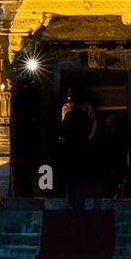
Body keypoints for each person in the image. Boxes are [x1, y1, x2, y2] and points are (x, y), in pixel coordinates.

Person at [58, 89, 96, 218]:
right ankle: (78, 209)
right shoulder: (86, 117)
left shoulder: (69, 115)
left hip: (71, 151)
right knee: (78, 182)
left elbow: (62, 132)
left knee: (73, 182)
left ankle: (75, 209)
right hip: (82, 151)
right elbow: (91, 129)